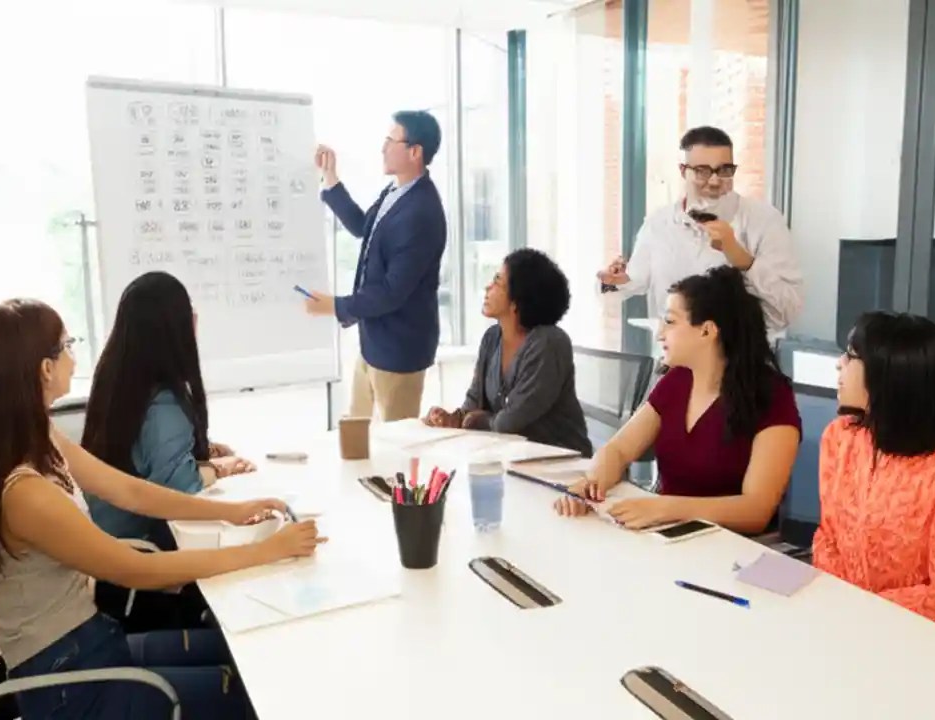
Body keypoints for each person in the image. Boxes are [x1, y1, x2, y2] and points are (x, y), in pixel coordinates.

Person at [0, 299, 325, 719]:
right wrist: (265, 551)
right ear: (45, 369)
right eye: (67, 345)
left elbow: (128, 491)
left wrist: (230, 511)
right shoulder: (25, 494)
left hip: (91, 645)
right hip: (71, 688)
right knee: (250, 695)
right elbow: (133, 569)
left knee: (235, 650)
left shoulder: (34, 438)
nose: (73, 355)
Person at [555, 266, 801, 533]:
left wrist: (664, 508)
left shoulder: (772, 396)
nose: (660, 333)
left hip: (730, 546)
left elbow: (756, 510)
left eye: (670, 322)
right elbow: (619, 450)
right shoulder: (677, 381)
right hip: (666, 535)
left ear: (707, 331)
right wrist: (592, 483)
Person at [81, 271, 259, 632]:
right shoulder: (163, 403)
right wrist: (221, 469)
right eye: (188, 310)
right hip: (142, 580)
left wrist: (203, 452)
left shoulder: (117, 380)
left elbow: (142, 453)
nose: (196, 318)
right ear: (174, 327)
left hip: (108, 561)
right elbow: (178, 488)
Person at [813, 312, 935, 632]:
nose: (839, 364)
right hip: (837, 622)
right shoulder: (839, 437)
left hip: (908, 640)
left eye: (850, 356)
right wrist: (840, 610)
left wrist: (860, 610)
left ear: (888, 374)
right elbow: (827, 540)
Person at [303, 110, 447, 421]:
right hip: (374, 345)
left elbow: (392, 292)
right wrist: (330, 177)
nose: (383, 148)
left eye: (390, 141)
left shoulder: (421, 211)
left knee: (394, 442)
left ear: (415, 152)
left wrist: (335, 306)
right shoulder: (396, 191)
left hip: (399, 351)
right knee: (358, 433)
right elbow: (362, 226)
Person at [597, 126, 803, 337]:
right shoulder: (658, 224)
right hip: (674, 353)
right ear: (683, 171)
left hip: (740, 355)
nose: (714, 181)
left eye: (724, 170)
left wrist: (743, 261)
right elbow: (631, 283)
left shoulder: (765, 221)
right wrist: (613, 283)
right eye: (702, 171)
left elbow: (789, 309)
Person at [423, 248, 592, 456]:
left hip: (562, 462)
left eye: (497, 281)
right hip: (510, 457)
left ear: (516, 301)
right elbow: (474, 403)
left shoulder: (549, 343)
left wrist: (479, 420)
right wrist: (451, 419)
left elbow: (513, 420)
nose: (488, 287)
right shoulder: (492, 338)